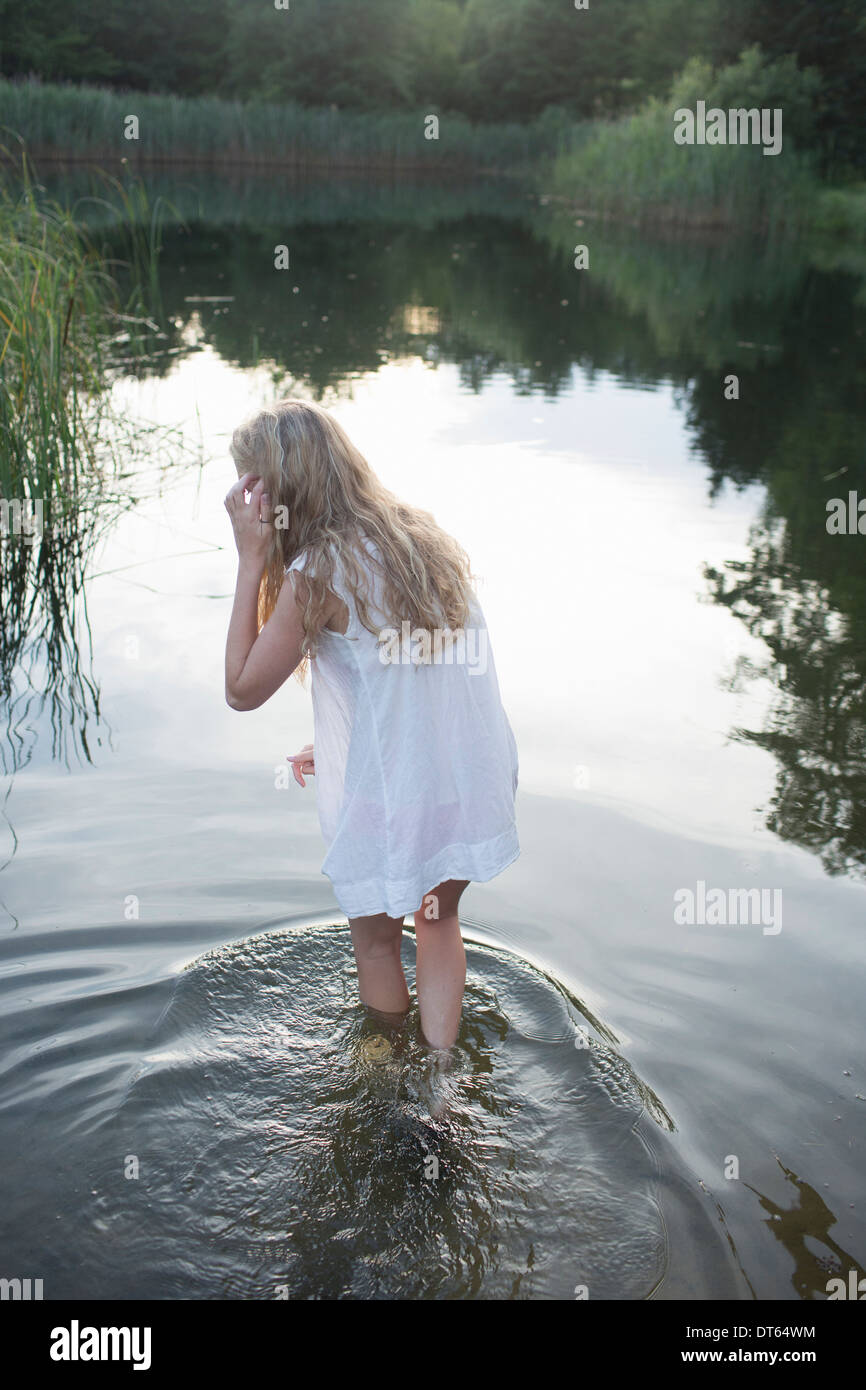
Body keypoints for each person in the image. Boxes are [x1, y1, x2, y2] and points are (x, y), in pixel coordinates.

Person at [224, 399, 519, 1052]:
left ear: (276, 493)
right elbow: (419, 679)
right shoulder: (419, 534)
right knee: (439, 922)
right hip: (465, 779)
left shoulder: (314, 576)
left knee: (380, 947)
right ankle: (442, 1082)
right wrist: (341, 749)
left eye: (250, 487)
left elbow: (241, 690)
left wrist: (250, 560)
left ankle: (390, 1088)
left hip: (397, 797)